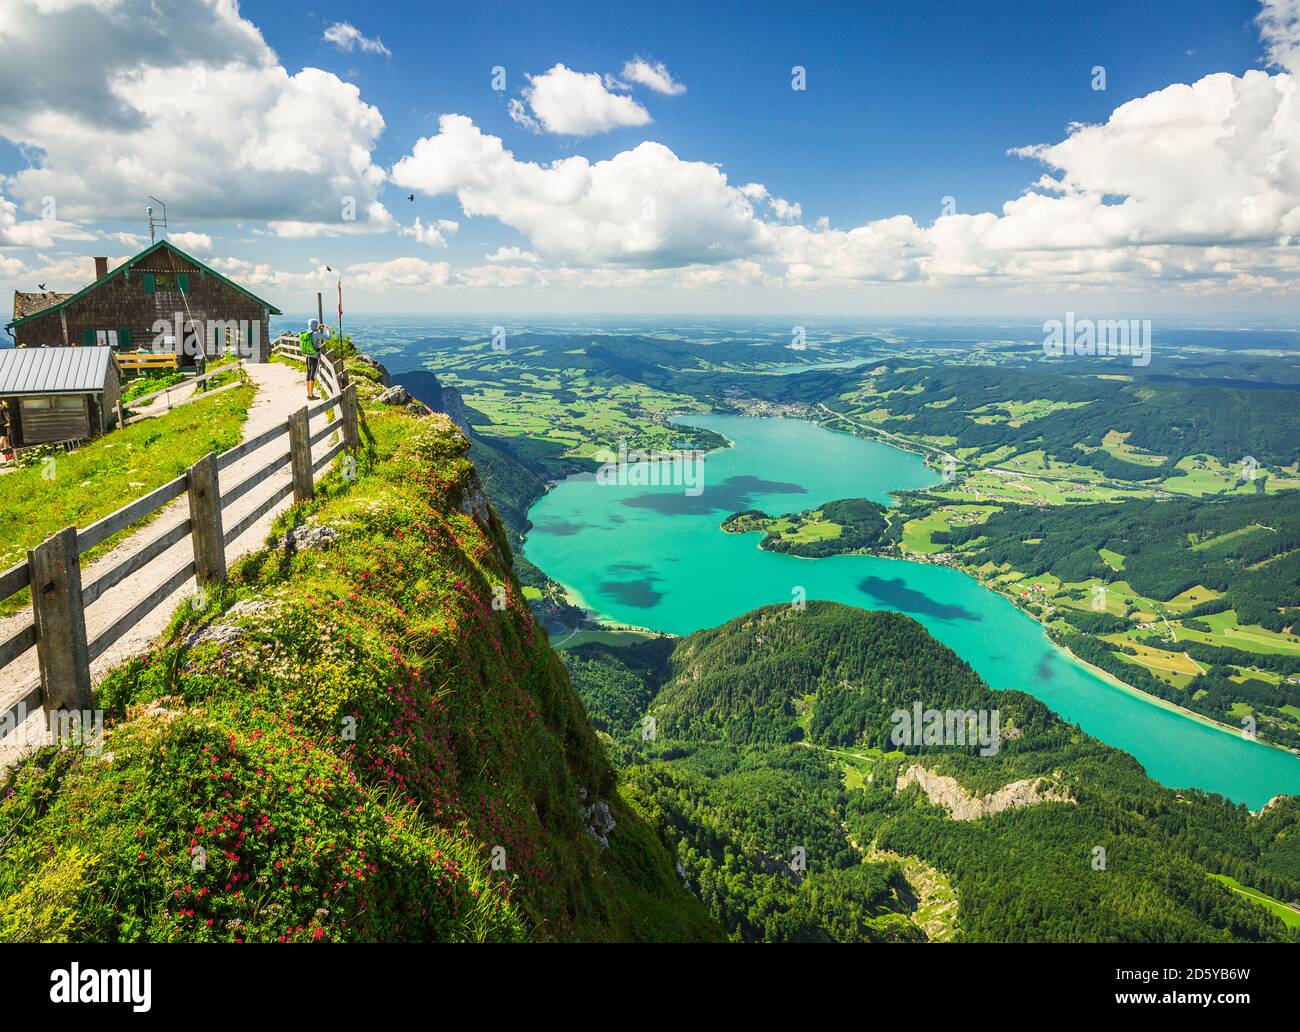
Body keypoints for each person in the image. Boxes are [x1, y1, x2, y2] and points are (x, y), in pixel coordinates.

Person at [298, 318, 328, 399]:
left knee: (308, 376)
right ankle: (311, 396)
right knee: (313, 376)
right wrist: (326, 329)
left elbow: (312, 335)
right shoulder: (316, 334)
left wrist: (316, 328)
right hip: (315, 357)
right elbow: (328, 337)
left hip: (308, 356)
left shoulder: (306, 333)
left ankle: (309, 394)